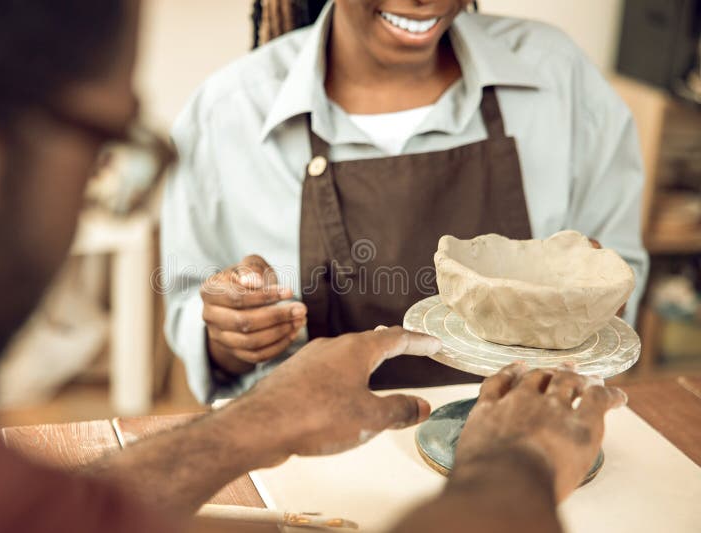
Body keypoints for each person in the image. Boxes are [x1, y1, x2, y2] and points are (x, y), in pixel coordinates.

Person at [0, 1, 628, 532]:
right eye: (104, 149)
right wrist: (515, 463)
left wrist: (259, 421)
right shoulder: (230, 109)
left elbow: (67, 516)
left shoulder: (558, 79)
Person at [162, 0, 650, 403]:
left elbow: (621, 271)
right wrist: (232, 334)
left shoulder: (558, 77)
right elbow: (192, 311)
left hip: (529, 451)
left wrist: (595, 294)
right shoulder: (228, 114)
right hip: (315, 464)